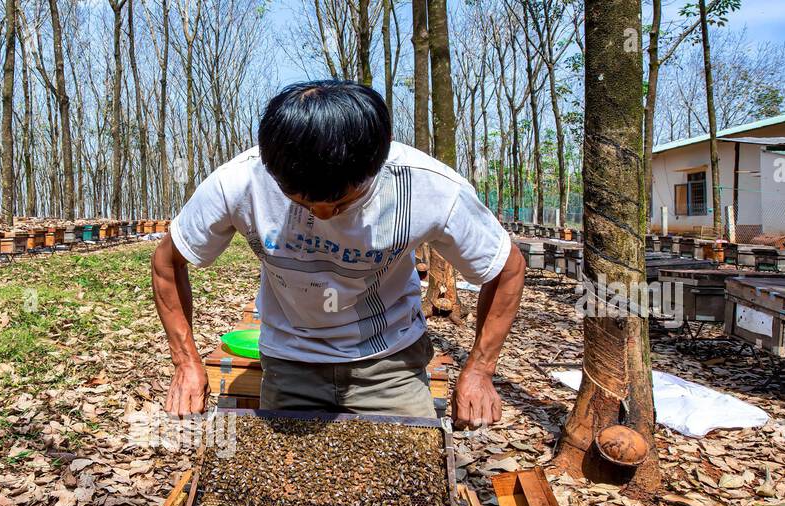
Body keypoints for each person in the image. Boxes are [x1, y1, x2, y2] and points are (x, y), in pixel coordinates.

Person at [151, 79, 525, 426]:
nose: (324, 215)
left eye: (342, 202)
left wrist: (479, 370)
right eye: (303, 203)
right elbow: (167, 262)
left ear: (379, 158)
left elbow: (506, 269)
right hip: (288, 360)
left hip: (389, 364)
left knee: (410, 484)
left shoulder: (430, 188)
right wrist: (186, 362)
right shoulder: (238, 182)